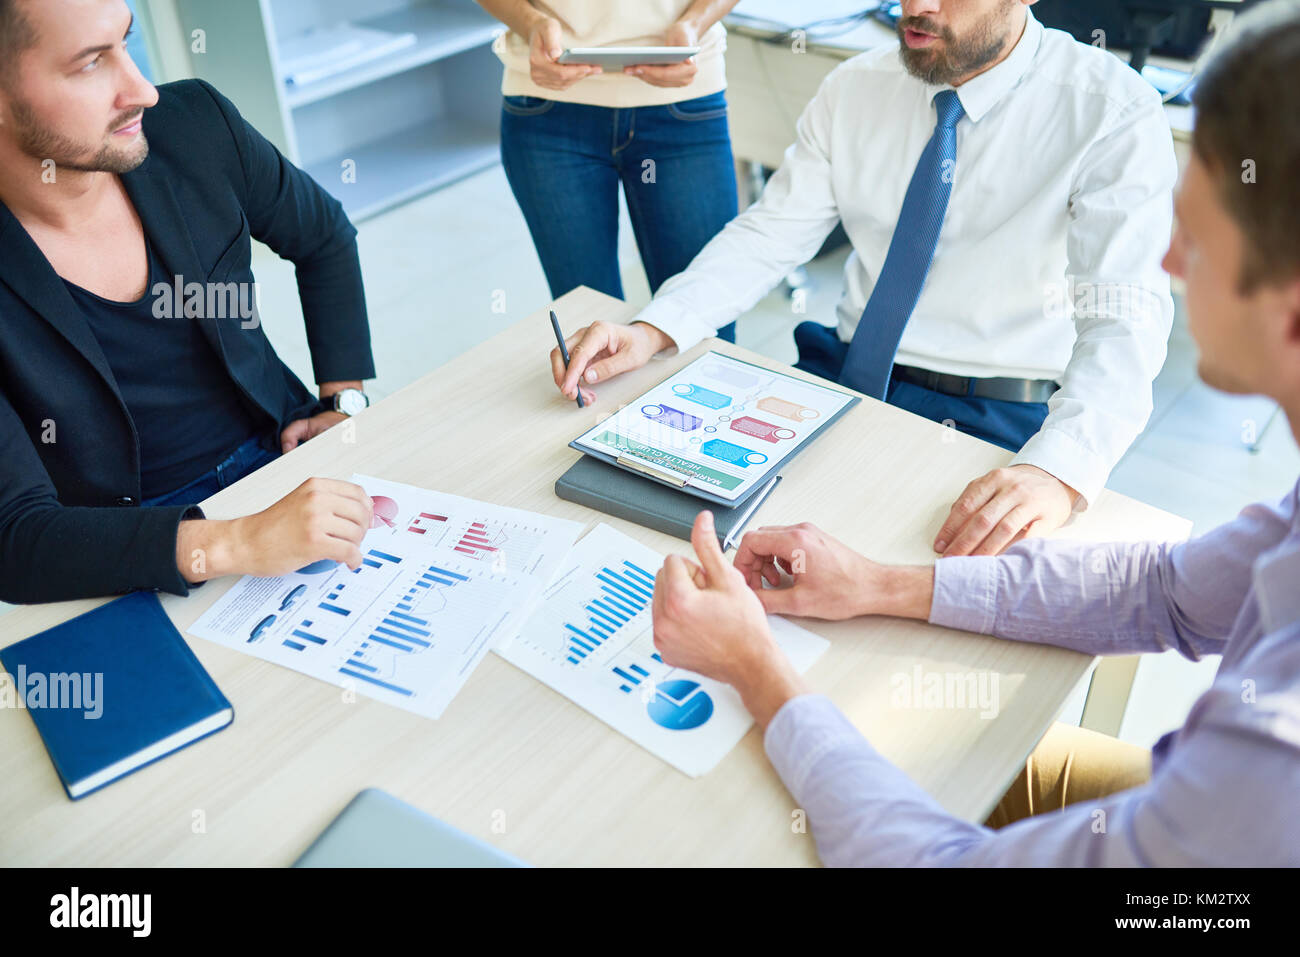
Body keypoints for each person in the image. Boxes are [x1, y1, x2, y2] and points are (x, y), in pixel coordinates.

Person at [648, 0, 1300, 866]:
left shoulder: (1273, 760)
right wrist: (878, 584)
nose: (1170, 267)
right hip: (854, 385)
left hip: (993, 415)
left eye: (1195, 238)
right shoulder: (1286, 529)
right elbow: (1166, 596)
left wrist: (761, 673)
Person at [551, 0, 1177, 558]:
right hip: (844, 375)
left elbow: (1125, 314)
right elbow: (771, 234)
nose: (917, 7)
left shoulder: (1111, 112)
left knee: (907, 601)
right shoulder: (856, 85)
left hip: (995, 412)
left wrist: (1061, 470)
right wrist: (655, 328)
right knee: (669, 533)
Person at [0, 0, 378, 605]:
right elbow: (15, 538)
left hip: (284, 449)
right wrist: (235, 543)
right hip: (124, 543)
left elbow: (324, 236)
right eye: (92, 63)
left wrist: (344, 399)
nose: (143, 91)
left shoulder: (194, 123)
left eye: (126, 43)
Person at [479, 0, 741, 341]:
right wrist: (531, 23)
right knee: (587, 326)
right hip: (547, 110)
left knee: (706, 327)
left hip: (685, 103)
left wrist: (695, 21)